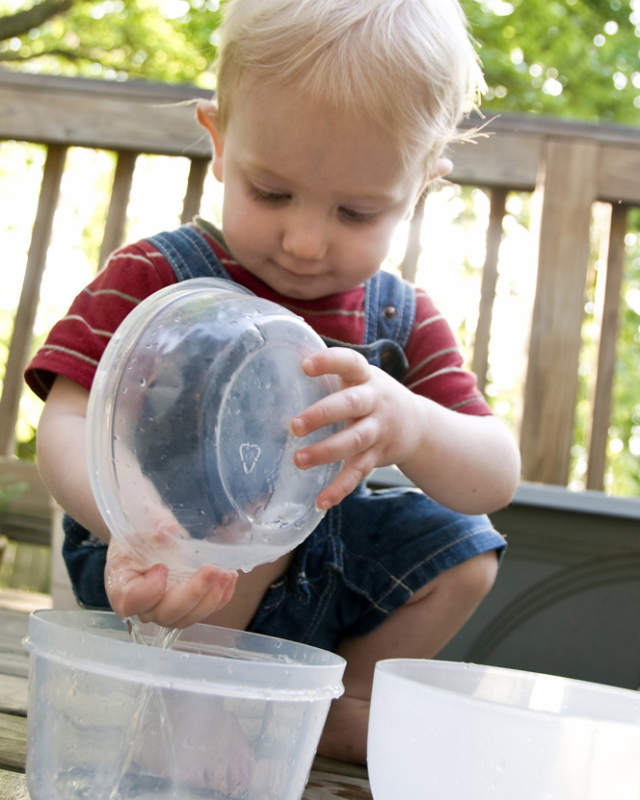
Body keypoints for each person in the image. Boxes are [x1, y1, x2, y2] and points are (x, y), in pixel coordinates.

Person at [26, 0, 521, 766]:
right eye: (273, 193)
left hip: (320, 576)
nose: (305, 239)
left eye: (357, 212)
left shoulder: (401, 314)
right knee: (242, 508)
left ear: (422, 185)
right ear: (219, 142)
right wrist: (139, 522)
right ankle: (186, 700)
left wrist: (413, 424)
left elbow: (494, 476)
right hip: (161, 569)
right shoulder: (159, 278)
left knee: (466, 548)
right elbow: (63, 422)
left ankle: (335, 702)